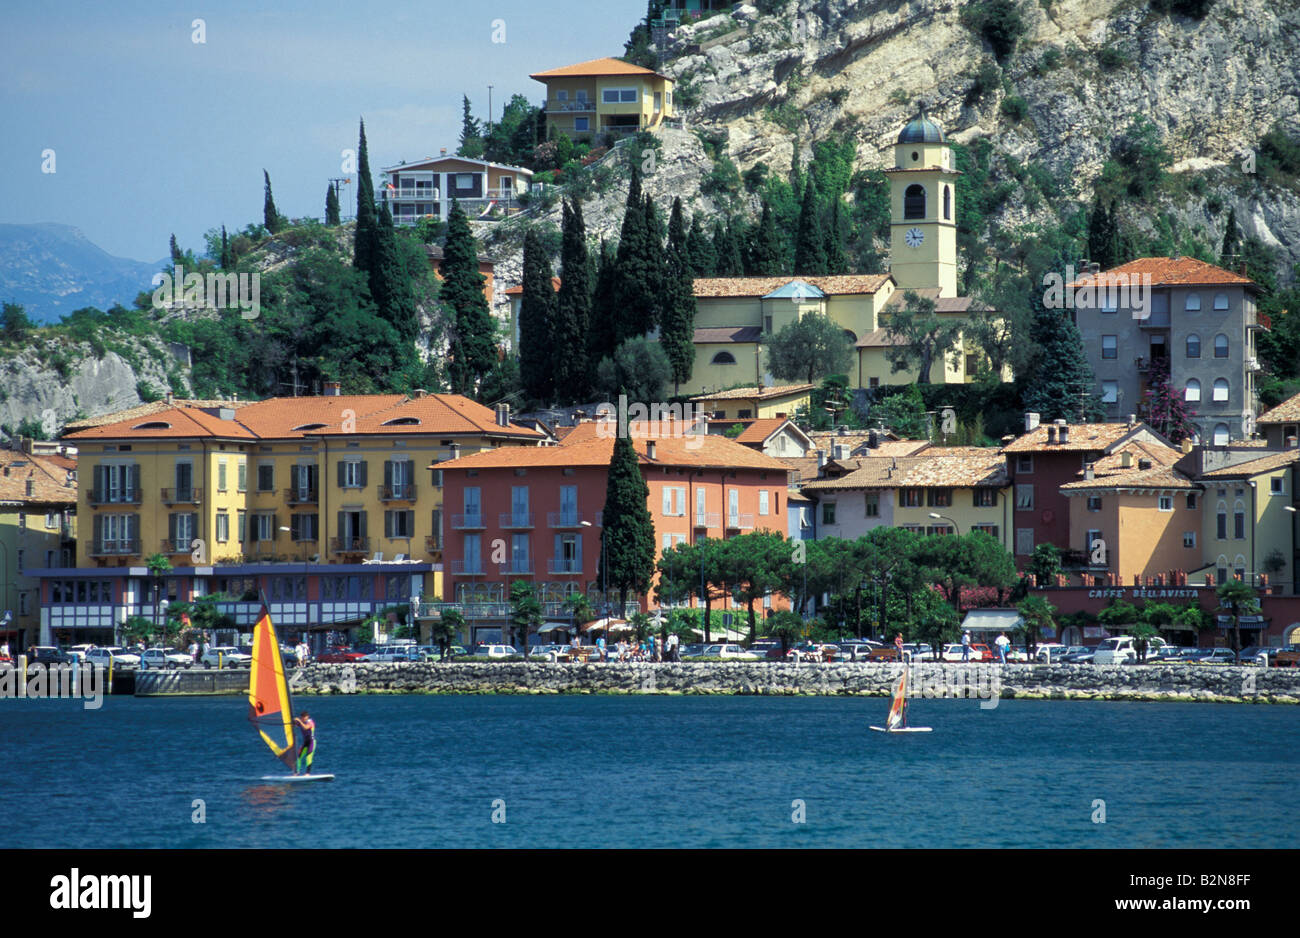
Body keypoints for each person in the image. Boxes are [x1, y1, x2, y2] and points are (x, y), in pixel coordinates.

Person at [294, 711, 316, 776]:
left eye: (304, 717)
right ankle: (297, 772)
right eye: (302, 717)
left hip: (311, 742)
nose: (303, 718)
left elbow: (305, 727)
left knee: (308, 757)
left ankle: (307, 773)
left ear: (307, 717)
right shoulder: (302, 722)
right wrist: (294, 721)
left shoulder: (310, 722)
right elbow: (295, 725)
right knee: (298, 757)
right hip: (305, 742)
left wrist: (299, 721)